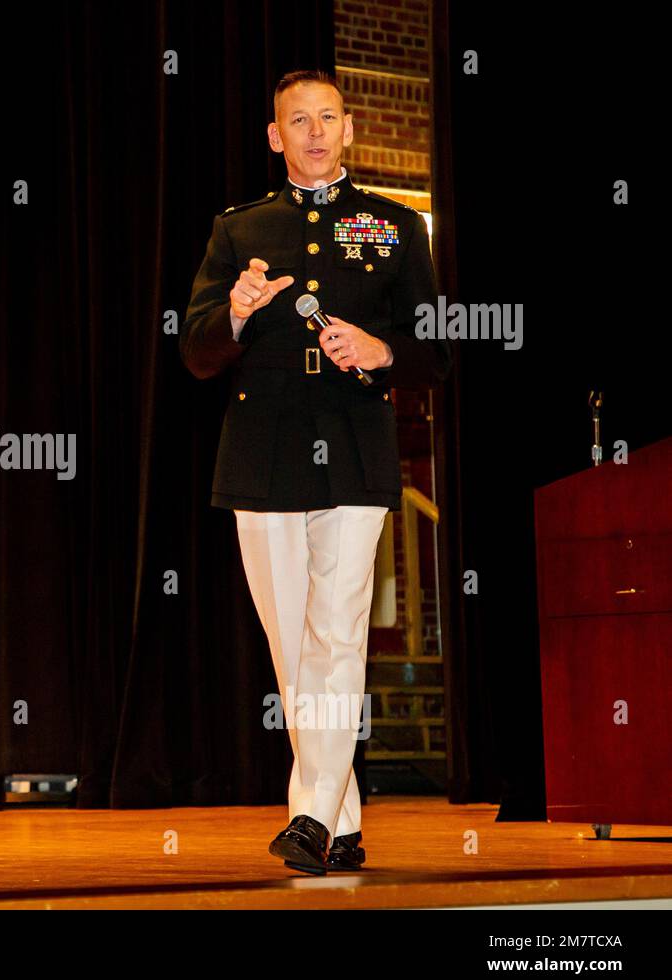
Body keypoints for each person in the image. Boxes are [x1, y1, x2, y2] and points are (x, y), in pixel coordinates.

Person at [180, 69, 453, 874]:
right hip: (260, 456)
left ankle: (306, 816)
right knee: (291, 648)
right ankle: (344, 818)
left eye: (326, 117)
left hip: (356, 451)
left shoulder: (396, 227)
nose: (313, 131)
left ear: (349, 128)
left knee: (337, 634)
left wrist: (383, 350)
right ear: (275, 137)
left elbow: (437, 349)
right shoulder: (238, 231)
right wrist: (234, 310)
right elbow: (195, 351)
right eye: (296, 120)